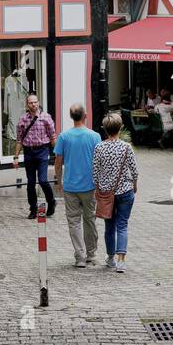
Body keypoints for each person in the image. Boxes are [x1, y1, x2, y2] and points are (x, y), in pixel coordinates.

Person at [53, 103, 101, 268]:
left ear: (71, 116)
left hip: (71, 186)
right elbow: (99, 162)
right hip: (90, 185)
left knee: (74, 221)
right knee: (90, 219)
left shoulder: (64, 137)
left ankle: (79, 256)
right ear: (85, 115)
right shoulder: (95, 136)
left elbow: (58, 162)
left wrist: (59, 181)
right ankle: (91, 254)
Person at [93, 113, 139, 272]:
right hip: (125, 190)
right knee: (122, 225)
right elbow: (134, 170)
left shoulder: (99, 147)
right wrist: (135, 184)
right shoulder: (126, 147)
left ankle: (110, 257)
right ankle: (121, 260)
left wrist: (98, 188)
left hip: (106, 193)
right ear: (120, 128)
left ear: (105, 130)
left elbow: (95, 172)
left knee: (109, 226)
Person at [12, 93, 57, 220]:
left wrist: (57, 153)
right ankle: (33, 208)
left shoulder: (46, 118)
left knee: (42, 180)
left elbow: (53, 136)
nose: (34, 104)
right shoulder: (23, 119)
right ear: (27, 104)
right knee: (31, 183)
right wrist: (16, 157)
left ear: (38, 103)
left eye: (35, 102)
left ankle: (51, 202)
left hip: (42, 150)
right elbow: (19, 139)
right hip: (29, 152)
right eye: (31, 102)